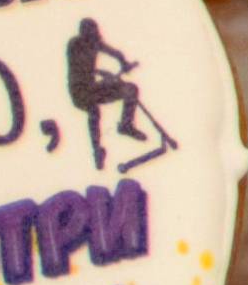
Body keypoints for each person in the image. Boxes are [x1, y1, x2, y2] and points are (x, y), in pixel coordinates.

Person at [65, 17, 175, 173]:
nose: (96, 37)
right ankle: (97, 151)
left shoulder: (94, 43)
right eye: (92, 33)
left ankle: (126, 125)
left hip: (92, 88)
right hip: (80, 92)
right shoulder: (75, 44)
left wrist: (123, 63)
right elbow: (80, 68)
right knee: (93, 110)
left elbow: (115, 53)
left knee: (130, 89)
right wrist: (105, 77)